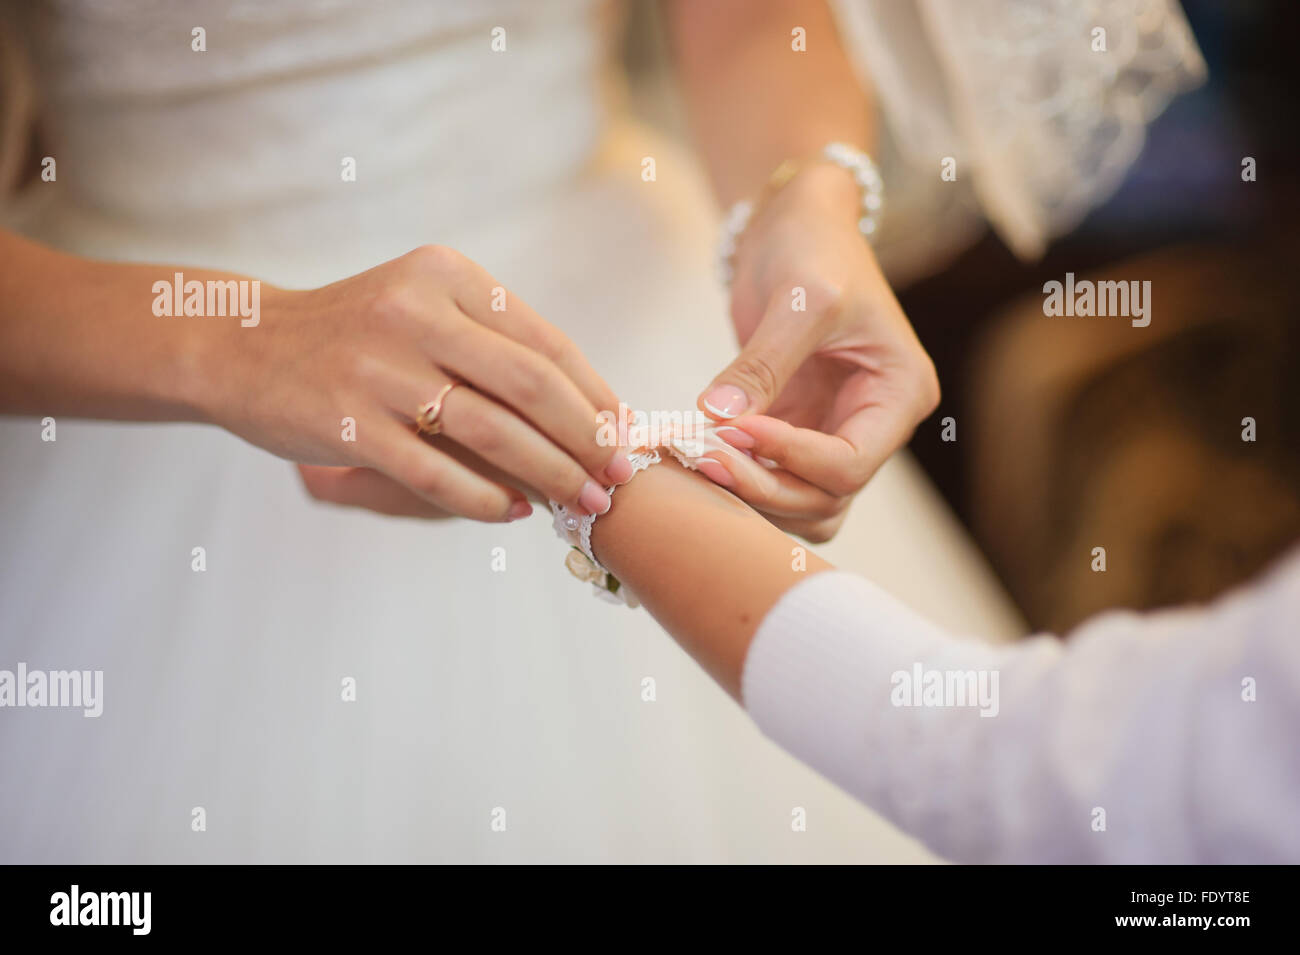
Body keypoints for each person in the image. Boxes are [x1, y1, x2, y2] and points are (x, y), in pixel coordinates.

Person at [0, 1, 1201, 862]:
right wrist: (232, 341)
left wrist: (803, 200)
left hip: (613, 294)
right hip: (144, 356)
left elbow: (748, 19)